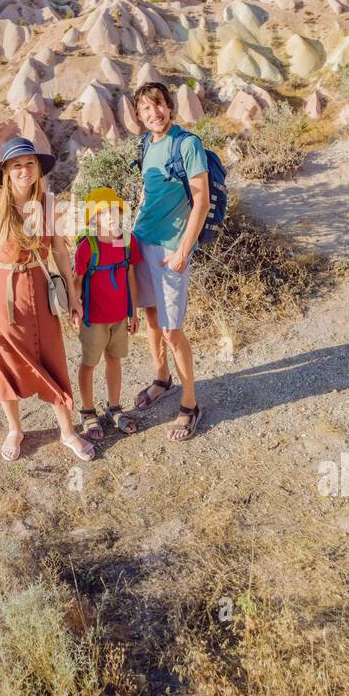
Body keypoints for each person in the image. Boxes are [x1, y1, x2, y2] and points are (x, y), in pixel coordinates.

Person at [0, 137, 94, 462]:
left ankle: (68, 432)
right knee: (6, 362)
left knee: (53, 355)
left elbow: (59, 251)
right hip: (2, 293)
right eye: (16, 165)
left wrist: (73, 293)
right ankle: (15, 428)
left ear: (37, 168)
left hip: (40, 289)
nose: (24, 170)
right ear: (7, 172)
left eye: (29, 164)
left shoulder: (47, 203)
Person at [130, 82, 208, 440]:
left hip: (170, 250)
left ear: (169, 107)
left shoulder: (187, 144)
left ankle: (190, 404)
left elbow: (201, 201)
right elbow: (148, 191)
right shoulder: (147, 143)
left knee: (172, 329)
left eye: (157, 105)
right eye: (145, 109)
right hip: (142, 241)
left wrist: (182, 251)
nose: (153, 113)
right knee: (150, 316)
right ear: (140, 116)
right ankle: (162, 377)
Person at [73, 187, 142, 441]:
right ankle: (88, 411)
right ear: (93, 219)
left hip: (118, 316)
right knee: (89, 363)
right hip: (93, 318)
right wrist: (75, 306)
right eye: (104, 213)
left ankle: (114, 408)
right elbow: (77, 280)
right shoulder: (86, 247)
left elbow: (132, 277)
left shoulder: (126, 241)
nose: (112, 216)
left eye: (115, 210)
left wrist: (133, 313)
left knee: (115, 359)